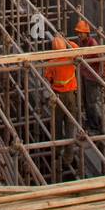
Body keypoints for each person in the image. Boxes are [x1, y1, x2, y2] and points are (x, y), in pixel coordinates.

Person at [43, 34, 80, 176]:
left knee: (57, 125)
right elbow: (77, 49)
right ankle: (68, 158)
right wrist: (67, 41)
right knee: (70, 126)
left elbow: (48, 78)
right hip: (71, 95)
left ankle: (57, 151)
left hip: (58, 97)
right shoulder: (71, 58)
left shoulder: (52, 62)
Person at [74, 18, 105, 133]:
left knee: (91, 103)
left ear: (86, 33)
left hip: (92, 78)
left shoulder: (93, 44)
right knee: (85, 100)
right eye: (78, 33)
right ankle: (90, 122)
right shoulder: (82, 43)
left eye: (81, 33)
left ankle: (95, 126)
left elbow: (104, 61)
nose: (79, 35)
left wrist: (104, 76)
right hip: (85, 75)